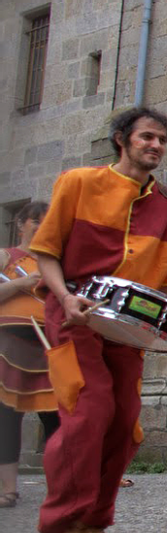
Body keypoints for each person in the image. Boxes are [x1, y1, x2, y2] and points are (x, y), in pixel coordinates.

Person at [30, 107, 167, 533]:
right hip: (73, 313)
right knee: (89, 409)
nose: (155, 145)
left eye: (161, 139)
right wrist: (64, 298)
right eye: (146, 137)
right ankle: (60, 526)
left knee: (124, 421)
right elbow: (44, 252)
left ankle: (94, 520)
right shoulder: (78, 183)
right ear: (122, 139)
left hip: (130, 327)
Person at [0, 201, 60, 509]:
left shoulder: (53, 261)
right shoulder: (7, 257)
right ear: (22, 223)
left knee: (56, 416)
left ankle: (60, 490)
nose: (41, 225)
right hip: (9, 342)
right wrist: (23, 283)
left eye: (47, 221)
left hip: (47, 343)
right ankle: (7, 489)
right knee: (6, 416)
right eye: (36, 221)